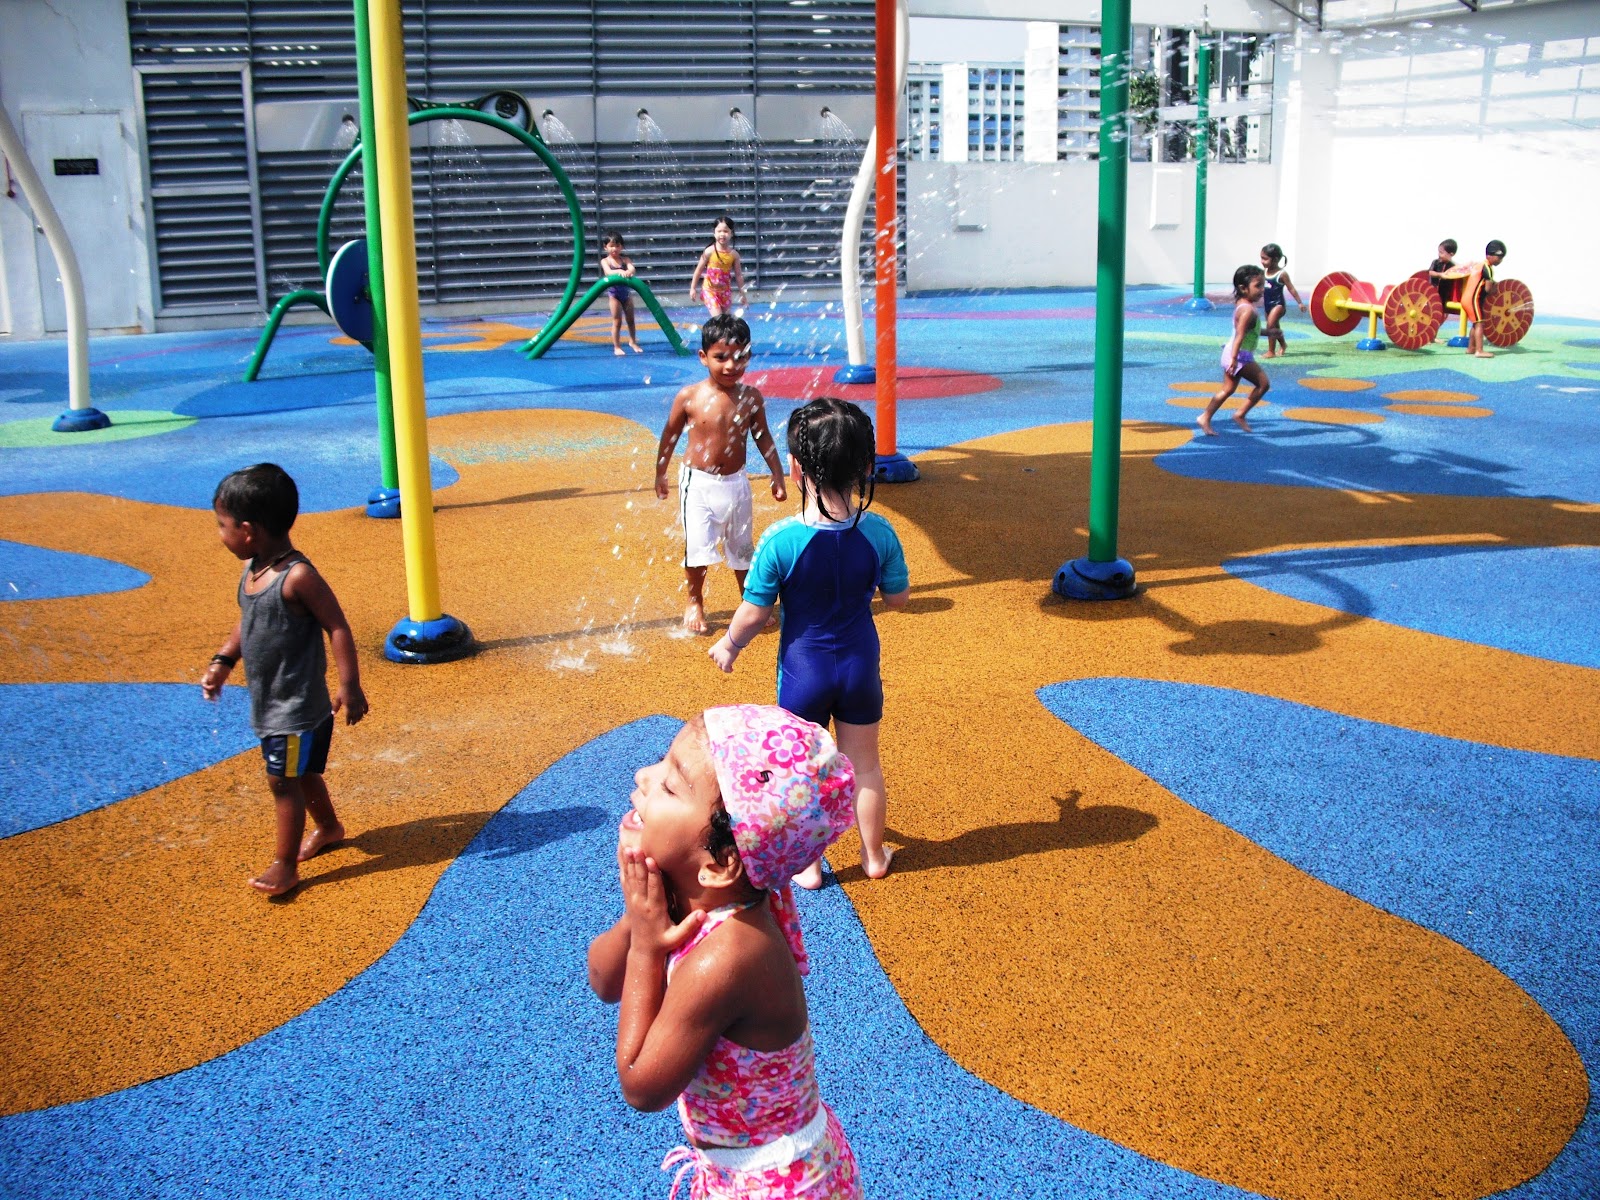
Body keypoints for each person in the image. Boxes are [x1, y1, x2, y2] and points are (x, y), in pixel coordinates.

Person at [588, 704, 863, 1199]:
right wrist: (639, 919)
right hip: (743, 1169)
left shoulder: (730, 953)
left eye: (671, 786)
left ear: (720, 863)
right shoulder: (698, 894)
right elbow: (605, 981)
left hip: (776, 1184)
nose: (643, 776)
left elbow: (641, 1085)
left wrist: (648, 948)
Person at [708, 398, 908, 888]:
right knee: (864, 766)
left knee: (802, 772)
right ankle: (874, 855)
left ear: (796, 469)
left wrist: (730, 646)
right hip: (860, 663)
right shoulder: (880, 532)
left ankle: (808, 865)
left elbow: (756, 612)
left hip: (803, 671)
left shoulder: (780, 540)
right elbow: (899, 599)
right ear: (866, 466)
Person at [201, 463, 369, 897]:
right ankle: (329, 827)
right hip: (278, 703)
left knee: (283, 782)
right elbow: (248, 621)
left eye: (222, 526)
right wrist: (223, 660)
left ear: (249, 530)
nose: (219, 535)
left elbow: (338, 626)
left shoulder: (297, 577)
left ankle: (284, 864)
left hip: (293, 708)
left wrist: (349, 685)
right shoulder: (255, 569)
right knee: (304, 772)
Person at [656, 314, 788, 636]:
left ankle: (748, 599)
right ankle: (694, 600)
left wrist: (777, 473)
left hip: (737, 483)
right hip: (698, 484)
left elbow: (763, 437)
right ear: (703, 357)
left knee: (742, 546)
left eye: (740, 357)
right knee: (698, 547)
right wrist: (660, 472)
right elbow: (670, 435)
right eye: (721, 357)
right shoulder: (689, 397)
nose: (731, 365)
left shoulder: (751, 397)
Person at [1199, 265, 1270, 436]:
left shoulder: (1243, 305)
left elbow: (1248, 331)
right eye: (1258, 286)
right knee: (1263, 384)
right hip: (1239, 356)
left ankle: (1205, 416)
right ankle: (1240, 414)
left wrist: (1269, 332)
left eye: (1263, 285)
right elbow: (1239, 335)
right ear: (1243, 288)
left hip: (1233, 352)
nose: (1262, 290)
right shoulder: (1247, 311)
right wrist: (1234, 359)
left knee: (1228, 389)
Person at [1446, 240, 1507, 359]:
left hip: (1467, 299)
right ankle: (1479, 350)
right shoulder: (1487, 267)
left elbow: (1482, 282)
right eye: (1498, 257)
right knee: (1480, 323)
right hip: (1473, 299)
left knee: (1475, 324)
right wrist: (1498, 291)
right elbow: (1488, 289)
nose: (1500, 260)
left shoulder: (1480, 265)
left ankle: (1471, 348)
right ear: (1489, 255)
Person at [688, 216, 747, 318]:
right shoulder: (709, 252)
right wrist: (693, 288)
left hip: (725, 292)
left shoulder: (734, 255)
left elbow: (738, 276)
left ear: (731, 233)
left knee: (726, 321)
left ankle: (720, 334)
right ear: (714, 233)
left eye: (725, 231)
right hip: (710, 290)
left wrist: (743, 294)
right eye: (719, 231)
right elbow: (698, 270)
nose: (722, 234)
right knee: (718, 318)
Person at [600, 231, 643, 355]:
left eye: (617, 246)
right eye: (611, 246)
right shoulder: (605, 261)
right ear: (605, 247)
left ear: (622, 247)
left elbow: (632, 269)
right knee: (617, 320)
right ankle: (617, 346)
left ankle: (633, 342)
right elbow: (608, 272)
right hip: (614, 295)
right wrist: (620, 271)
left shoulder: (625, 259)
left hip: (626, 294)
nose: (614, 249)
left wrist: (629, 271)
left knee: (631, 320)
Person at [1258, 243, 1304, 358]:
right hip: (1267, 304)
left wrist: (1300, 303)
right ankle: (1283, 344)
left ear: (1275, 259)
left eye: (1265, 259)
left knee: (1270, 325)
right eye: (1261, 258)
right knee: (1274, 327)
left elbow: (1291, 288)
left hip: (1278, 305)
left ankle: (1271, 351)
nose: (1262, 261)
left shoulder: (1281, 274)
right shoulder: (1264, 272)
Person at [1427, 237, 1459, 314]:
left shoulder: (1453, 266)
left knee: (1440, 311)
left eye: (1441, 253)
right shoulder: (1436, 262)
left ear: (1451, 254)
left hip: (1444, 295)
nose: (1439, 255)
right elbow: (1430, 272)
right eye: (1439, 252)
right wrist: (1440, 275)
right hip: (1433, 291)